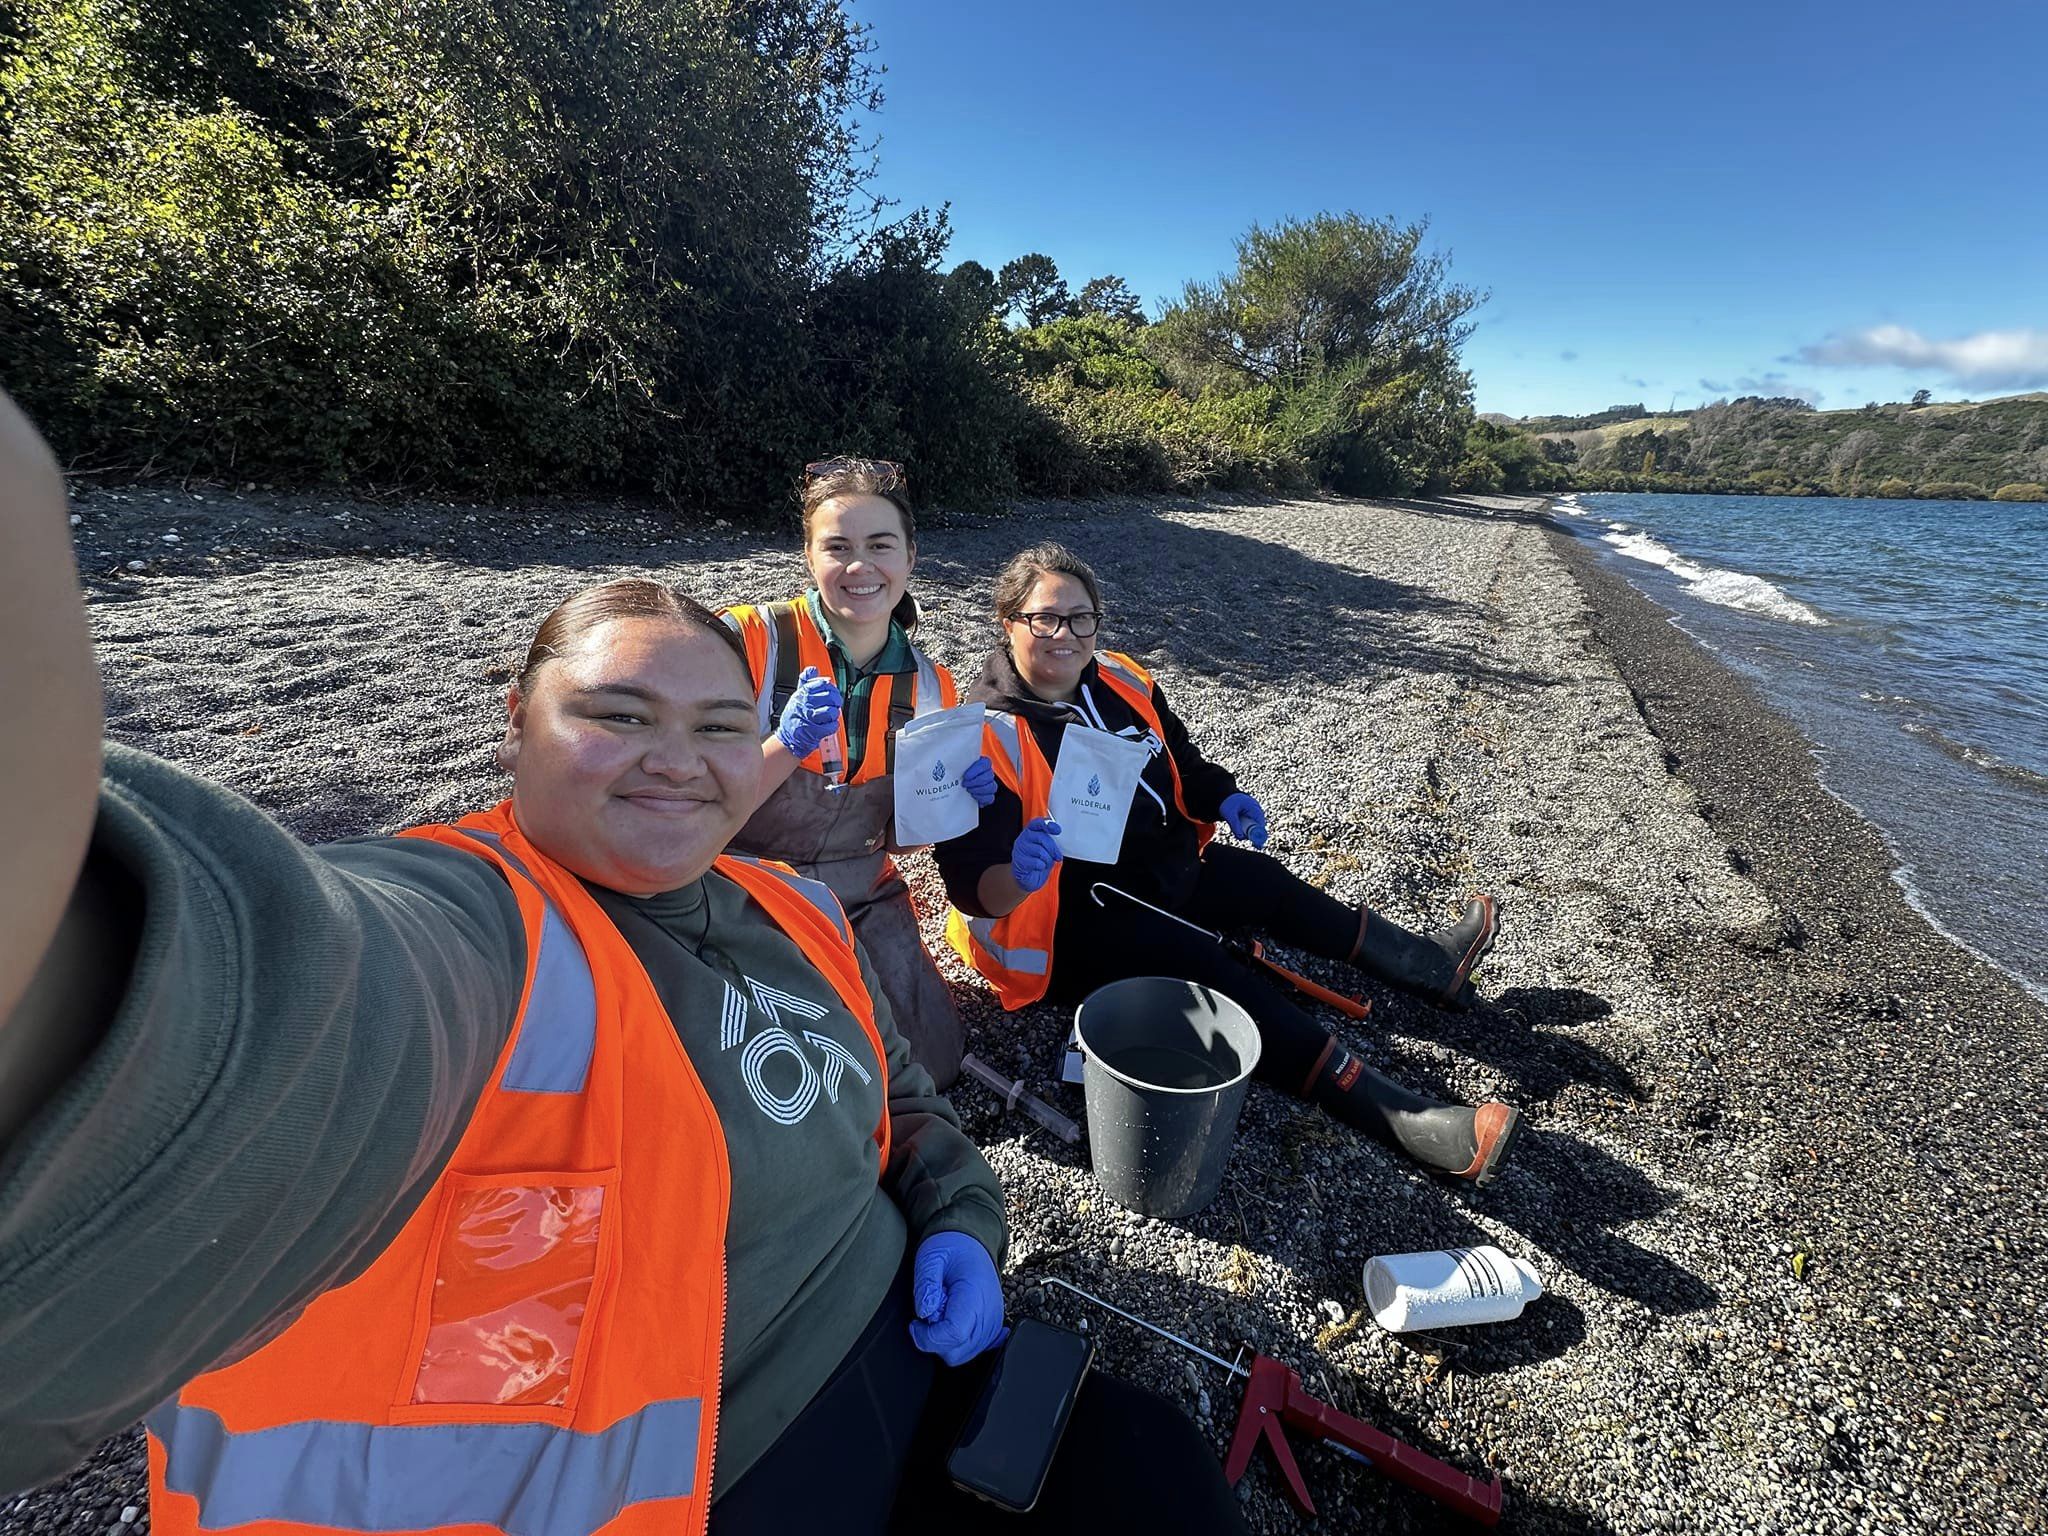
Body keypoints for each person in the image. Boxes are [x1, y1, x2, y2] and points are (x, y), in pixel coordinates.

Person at [0, 402, 1247, 1534]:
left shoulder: (801, 892)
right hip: (717, 1470)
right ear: (516, 723)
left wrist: (961, 1214)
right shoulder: (486, 933)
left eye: (714, 727)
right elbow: (266, 988)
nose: (676, 756)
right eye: (613, 717)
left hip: (895, 1219)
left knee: (1163, 1468)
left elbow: (903, 1098)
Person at [934, 541, 1523, 1185]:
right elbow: (968, 881)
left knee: (1266, 884)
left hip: (1160, 874)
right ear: (1008, 622)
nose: (1064, 635)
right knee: (1220, 977)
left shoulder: (1124, 679)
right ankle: (1408, 1118)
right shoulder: (984, 732)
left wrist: (1225, 794)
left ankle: (1428, 963)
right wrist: (1018, 875)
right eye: (1044, 618)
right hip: (1077, 925)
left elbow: (1181, 761)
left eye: (1080, 618)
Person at [720, 457, 992, 1088]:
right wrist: (784, 745)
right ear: (808, 555)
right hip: (738, 884)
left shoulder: (930, 686)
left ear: (911, 557)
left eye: (880, 546)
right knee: (776, 1070)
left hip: (860, 889)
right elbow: (690, 804)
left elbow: (897, 839)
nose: (859, 566)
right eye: (837, 546)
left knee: (931, 1060)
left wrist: (952, 805)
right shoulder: (746, 642)